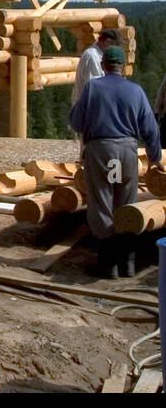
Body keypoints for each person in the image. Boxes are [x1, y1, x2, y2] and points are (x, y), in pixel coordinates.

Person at [69, 45, 163, 278]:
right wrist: (154, 159)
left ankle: (107, 265)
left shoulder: (92, 88)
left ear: (103, 65)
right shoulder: (136, 91)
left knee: (102, 203)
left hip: (101, 150)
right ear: (123, 67)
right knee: (126, 204)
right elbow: (150, 129)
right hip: (127, 151)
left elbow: (76, 122)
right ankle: (128, 263)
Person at [72, 28, 120, 105]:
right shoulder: (93, 57)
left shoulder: (98, 55)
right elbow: (94, 89)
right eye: (116, 45)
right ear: (107, 42)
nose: (117, 49)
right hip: (88, 110)